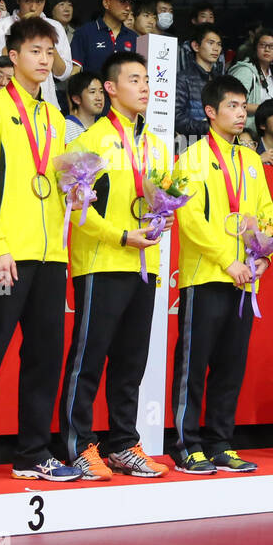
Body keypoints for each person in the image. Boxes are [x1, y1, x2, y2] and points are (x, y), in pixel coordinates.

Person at [0, 17, 84, 485]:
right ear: (13, 55)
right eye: (35, 52)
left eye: (50, 53)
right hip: (4, 253)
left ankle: (32, 452)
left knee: (45, 357)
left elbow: (56, 182)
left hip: (50, 255)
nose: (44, 61)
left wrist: (77, 193)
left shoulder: (54, 117)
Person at [58, 52, 170, 480]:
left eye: (147, 79)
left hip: (145, 265)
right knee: (88, 359)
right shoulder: (88, 143)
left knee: (131, 362)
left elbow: (164, 201)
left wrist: (164, 215)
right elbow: (79, 212)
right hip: (102, 262)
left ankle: (122, 442)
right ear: (110, 88)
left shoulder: (155, 145)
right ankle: (77, 445)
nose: (145, 87)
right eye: (135, 79)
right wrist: (122, 237)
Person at [168, 75, 273, 474]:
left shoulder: (250, 159)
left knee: (231, 366)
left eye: (243, 105)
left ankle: (220, 442)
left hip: (246, 278)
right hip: (206, 276)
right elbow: (190, 219)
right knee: (193, 365)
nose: (239, 113)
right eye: (231, 105)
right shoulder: (191, 159)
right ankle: (186, 445)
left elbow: (266, 212)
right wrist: (226, 261)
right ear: (210, 112)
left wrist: (265, 254)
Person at [0, 0, 72, 110]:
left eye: (39, 2)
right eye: (28, 1)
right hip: (10, 103)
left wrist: (48, 41)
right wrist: (21, 29)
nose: (33, 8)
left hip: (47, 103)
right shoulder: (2, 25)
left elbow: (63, 73)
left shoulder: (55, 27)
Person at [72, 0, 138, 74]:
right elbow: (75, 72)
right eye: (122, 1)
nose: (128, 8)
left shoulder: (134, 37)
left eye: (130, 2)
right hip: (93, 88)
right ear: (106, 3)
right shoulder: (85, 32)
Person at [174, 24, 223, 143]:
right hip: (191, 145)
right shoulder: (183, 79)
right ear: (196, 46)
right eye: (211, 43)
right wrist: (211, 127)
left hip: (219, 144)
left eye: (219, 44)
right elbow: (176, 118)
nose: (216, 48)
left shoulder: (221, 80)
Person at [228, 29, 273, 124]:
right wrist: (266, 109)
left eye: (272, 47)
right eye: (262, 45)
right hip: (244, 131)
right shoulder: (245, 71)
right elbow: (231, 103)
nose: (267, 49)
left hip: (264, 134)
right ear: (255, 47)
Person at [65, 70, 104, 142]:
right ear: (76, 99)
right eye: (92, 92)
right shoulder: (65, 129)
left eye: (101, 92)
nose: (99, 97)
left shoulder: (104, 128)